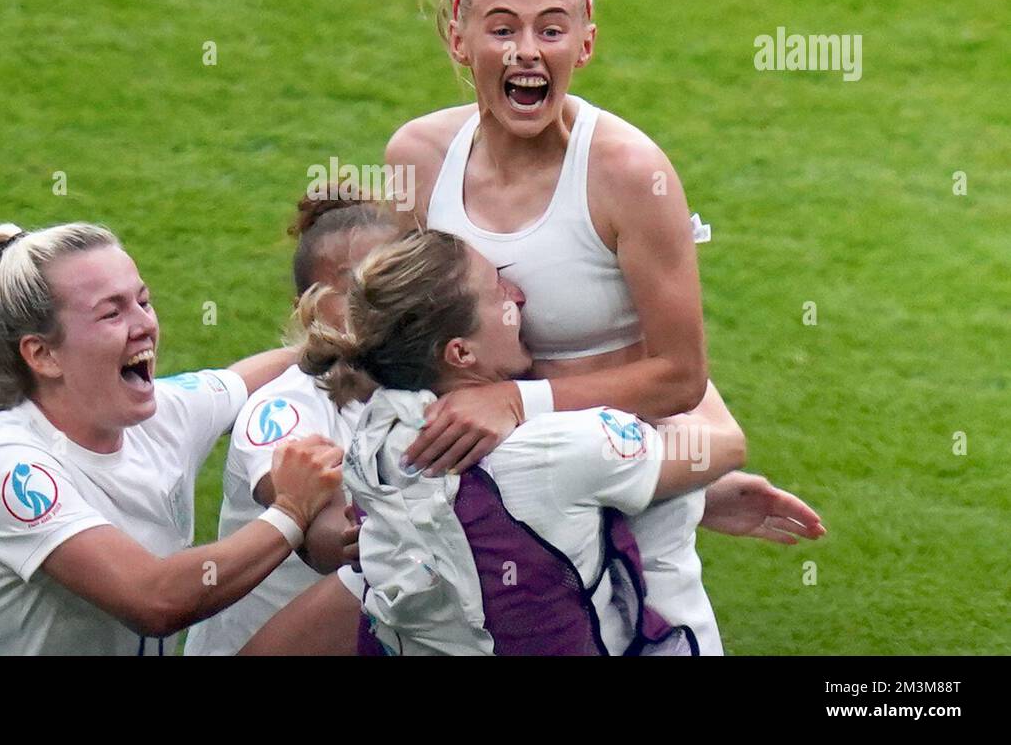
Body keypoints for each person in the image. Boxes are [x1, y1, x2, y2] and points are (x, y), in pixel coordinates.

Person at [381, 0, 804, 652]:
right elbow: (400, 340)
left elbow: (681, 377)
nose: (526, 52)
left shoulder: (627, 173)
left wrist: (520, 402)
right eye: (500, 30)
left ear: (587, 44)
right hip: (484, 505)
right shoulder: (417, 160)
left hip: (631, 521)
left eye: (550, 29)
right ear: (458, 42)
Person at [245, 230, 746, 655]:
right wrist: (658, 340)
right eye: (497, 290)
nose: (519, 296)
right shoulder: (558, 446)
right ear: (460, 352)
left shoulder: (374, 436)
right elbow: (721, 443)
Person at [0, 221, 343, 655]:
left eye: (143, 302)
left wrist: (351, 343)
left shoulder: (158, 415)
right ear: (43, 354)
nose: (143, 324)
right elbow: (154, 600)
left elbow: (242, 380)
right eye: (112, 313)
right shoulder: (9, 467)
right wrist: (291, 511)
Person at [184, 195, 401, 655]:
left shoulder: (436, 382)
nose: (383, 301)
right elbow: (320, 538)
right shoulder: (283, 411)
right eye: (355, 287)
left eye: (395, 278)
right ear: (305, 307)